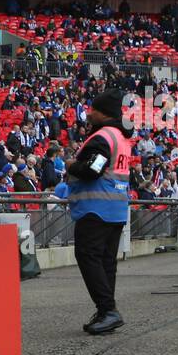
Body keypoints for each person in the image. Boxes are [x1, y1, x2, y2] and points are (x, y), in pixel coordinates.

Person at [66, 89, 134, 334]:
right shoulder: (122, 137)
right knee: (106, 262)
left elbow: (94, 168)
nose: (89, 113)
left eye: (93, 109)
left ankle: (108, 309)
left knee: (88, 256)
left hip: (96, 208)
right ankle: (107, 310)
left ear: (102, 112)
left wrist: (73, 165)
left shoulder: (102, 137)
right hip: (116, 207)